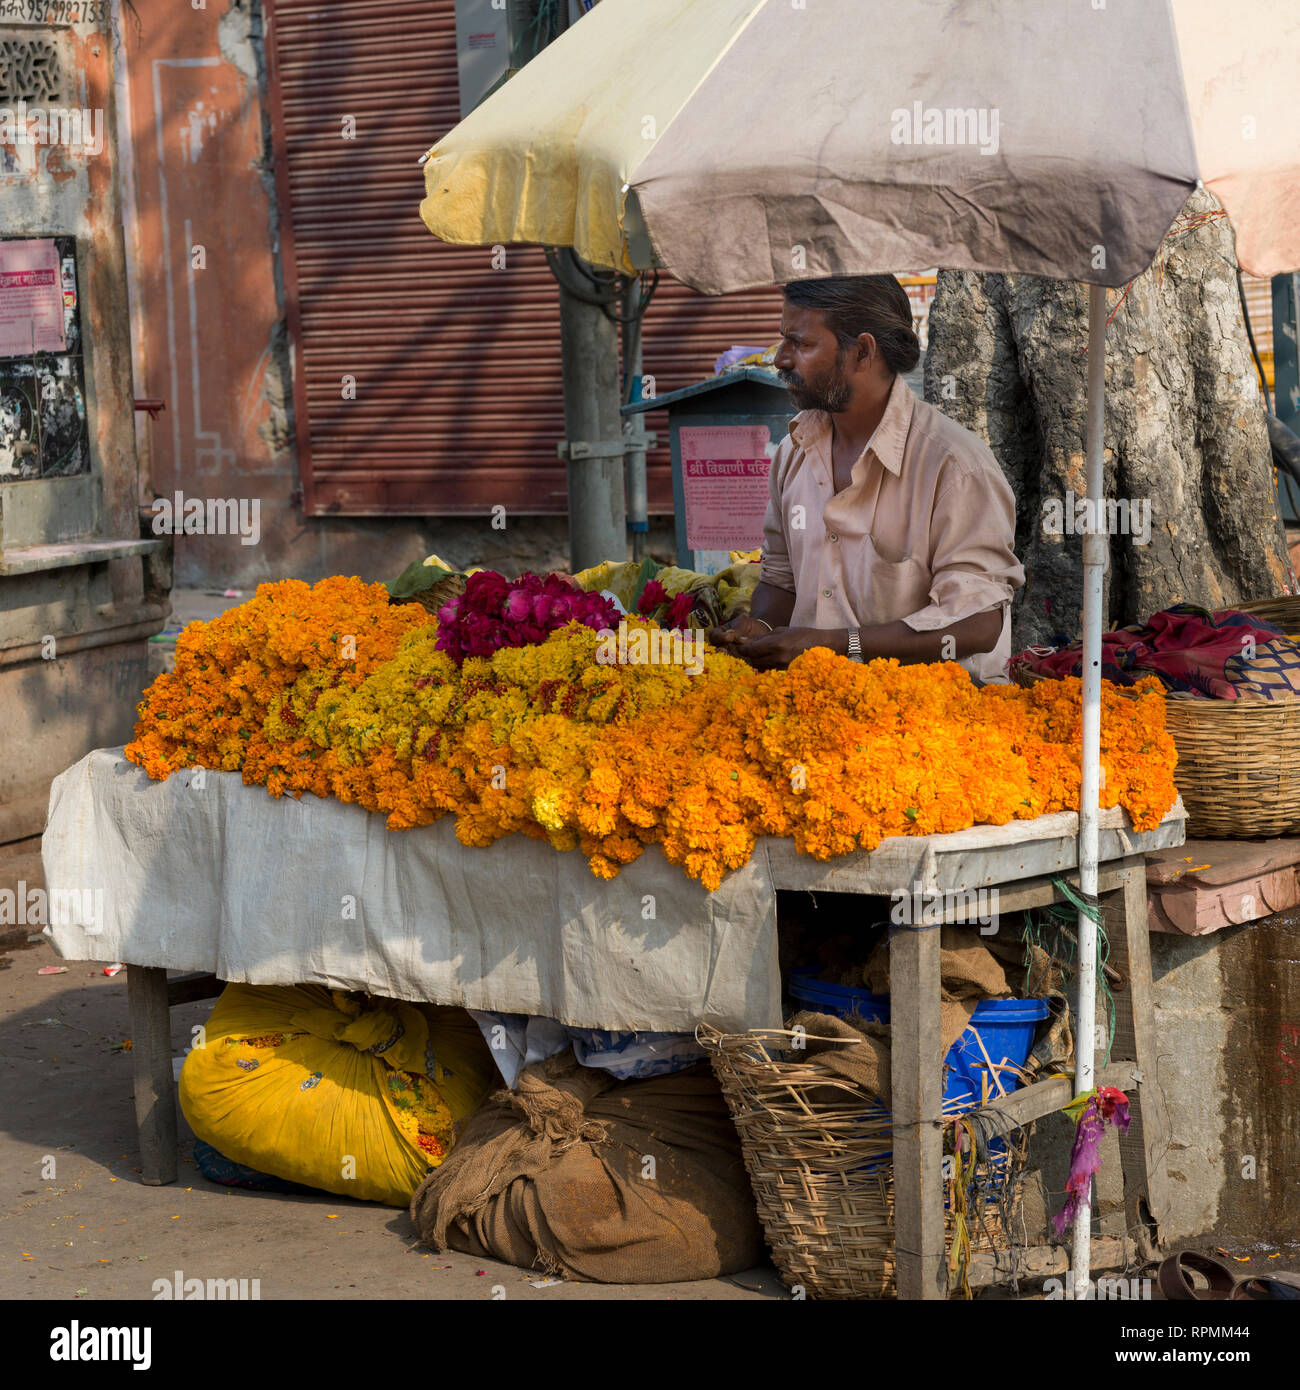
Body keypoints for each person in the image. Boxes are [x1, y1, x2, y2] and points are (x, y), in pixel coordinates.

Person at [709, 274, 1024, 682]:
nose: (781, 359)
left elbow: (979, 624)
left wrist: (840, 645)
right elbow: (780, 579)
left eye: (801, 344)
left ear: (861, 352)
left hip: (933, 722)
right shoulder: (794, 451)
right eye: (784, 340)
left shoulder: (955, 466)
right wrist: (764, 629)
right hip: (815, 708)